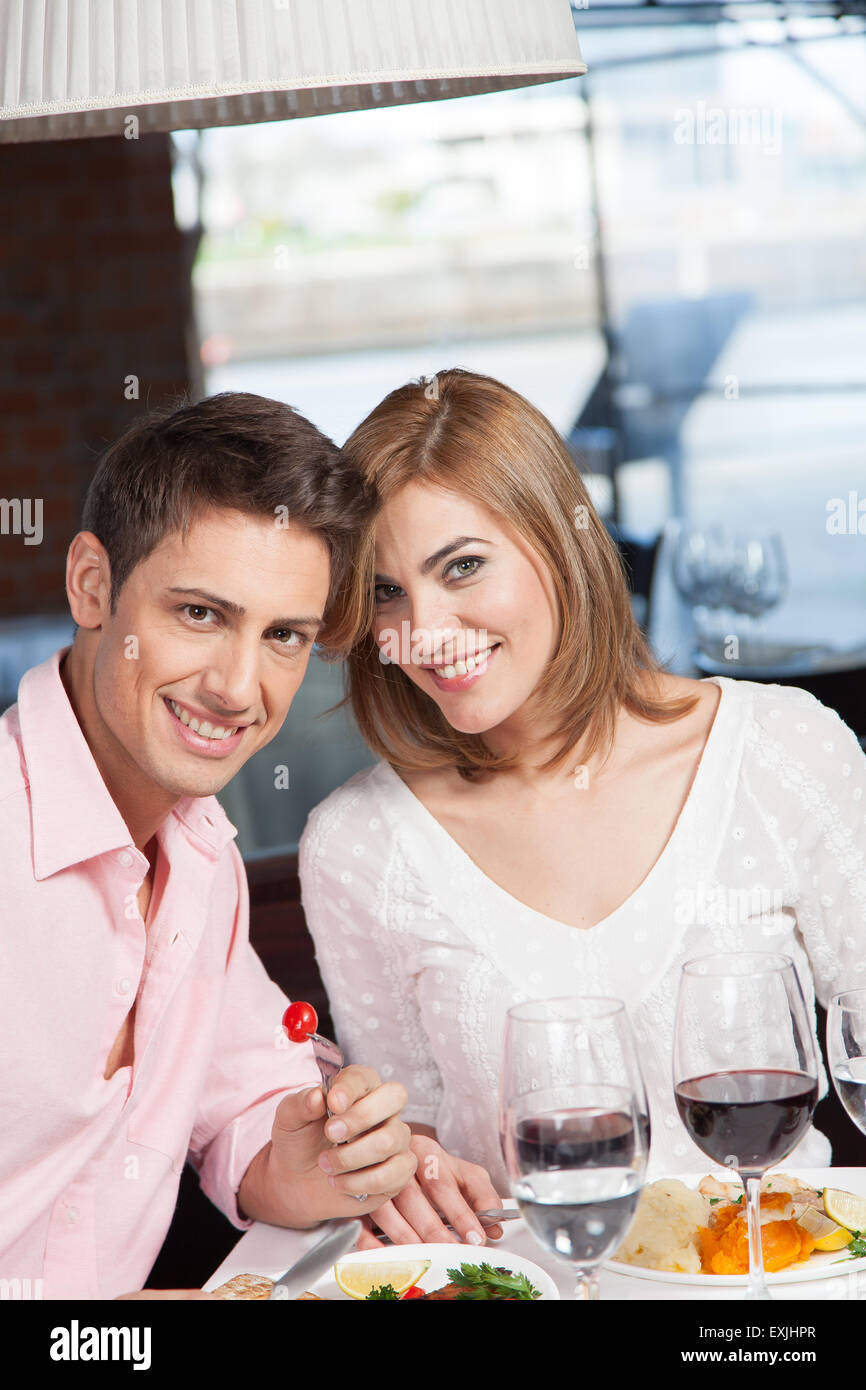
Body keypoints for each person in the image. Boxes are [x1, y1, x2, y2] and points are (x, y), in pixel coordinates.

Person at [299, 367, 866, 1239]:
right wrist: (400, 1165)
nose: (424, 629)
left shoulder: (785, 753)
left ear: (562, 542)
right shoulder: (358, 846)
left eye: (464, 566)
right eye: (386, 591)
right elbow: (405, 1142)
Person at [0, 392, 423, 1300]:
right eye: (200, 614)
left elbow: (246, 1111)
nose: (238, 687)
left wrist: (311, 1159)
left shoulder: (199, 859)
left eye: (283, 637)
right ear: (91, 586)